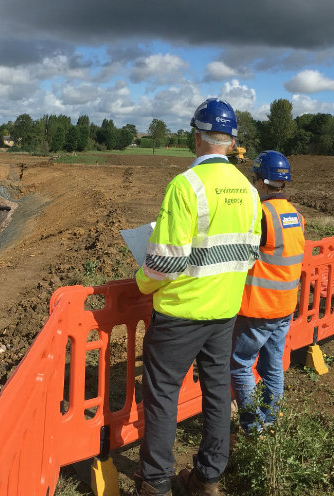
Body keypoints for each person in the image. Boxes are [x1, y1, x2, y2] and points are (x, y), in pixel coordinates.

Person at [133, 98, 262, 496]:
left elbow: (164, 263)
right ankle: (207, 476)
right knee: (218, 392)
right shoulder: (249, 190)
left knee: (162, 396)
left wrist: (140, 281)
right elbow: (248, 253)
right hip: (224, 311)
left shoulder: (186, 185)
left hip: (180, 312)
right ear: (232, 141)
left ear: (196, 137)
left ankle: (155, 481)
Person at [230, 151, 305, 434]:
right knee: (273, 364)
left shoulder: (261, 215)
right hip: (286, 306)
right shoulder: (296, 216)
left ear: (261, 182)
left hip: (260, 308)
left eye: (254, 179)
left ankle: (252, 426)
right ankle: (270, 419)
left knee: (240, 364)